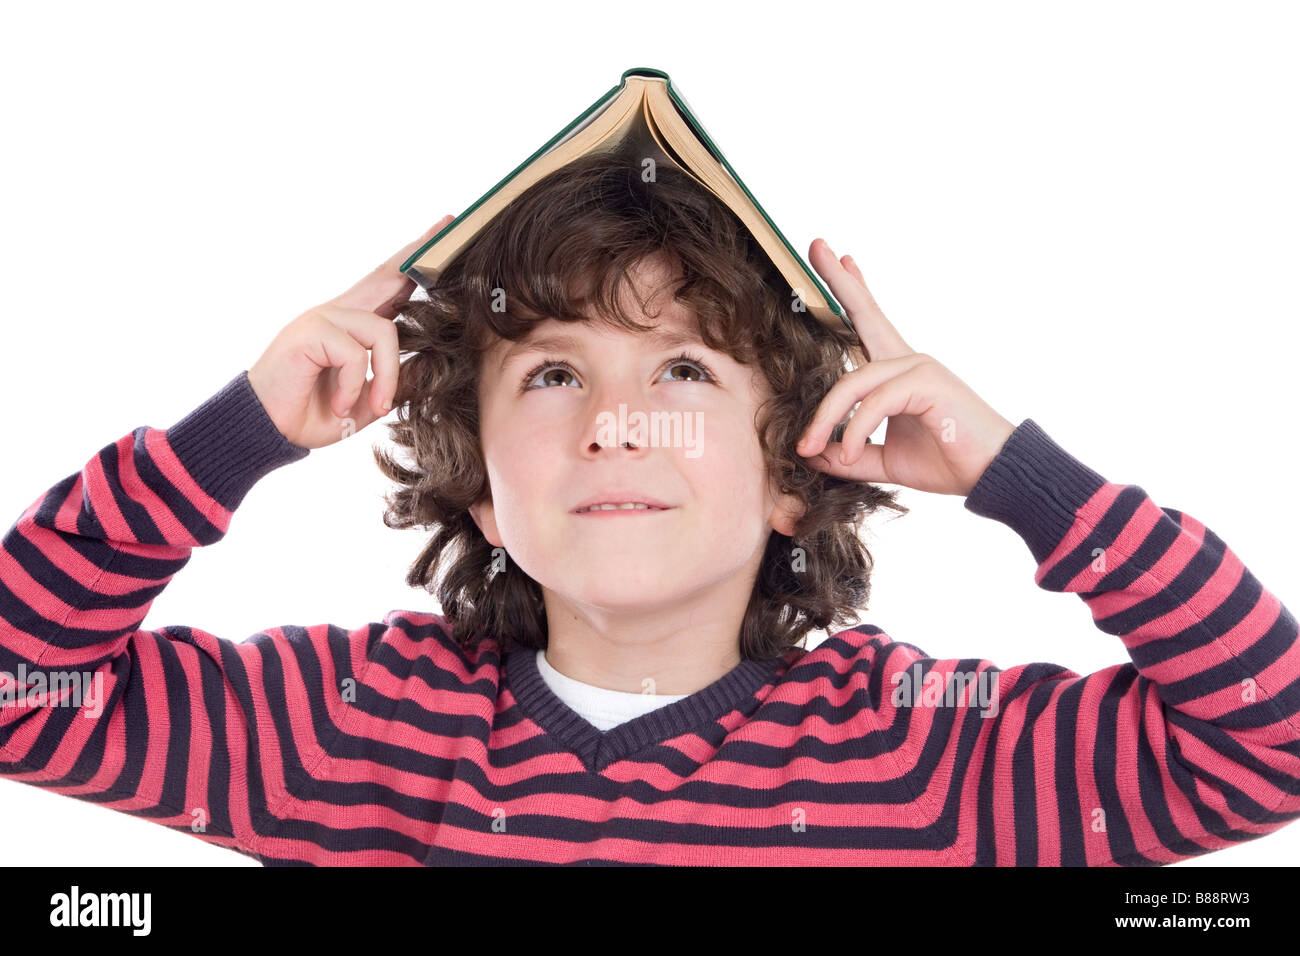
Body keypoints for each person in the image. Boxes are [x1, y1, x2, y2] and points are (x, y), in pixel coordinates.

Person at [2, 148, 1297, 866]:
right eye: (555, 373)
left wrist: (1021, 475)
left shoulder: (924, 741)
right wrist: (237, 433)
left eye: (681, 369)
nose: (615, 423)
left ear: (797, 474)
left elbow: (1269, 749)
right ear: (485, 493)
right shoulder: (353, 730)